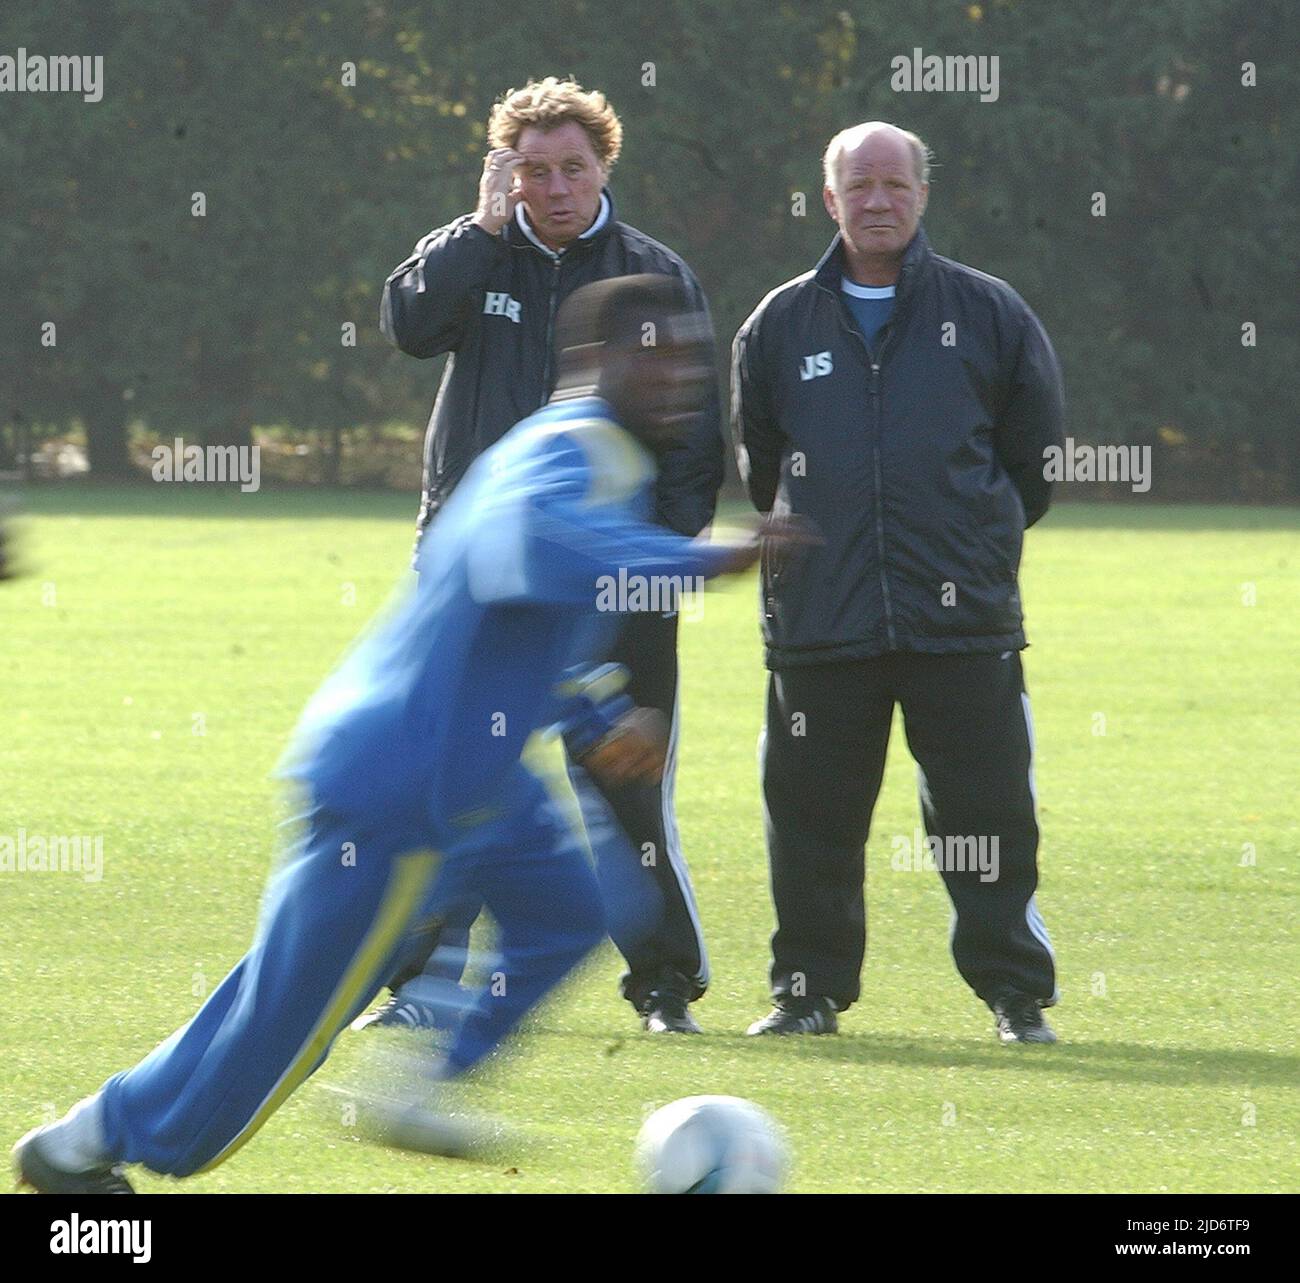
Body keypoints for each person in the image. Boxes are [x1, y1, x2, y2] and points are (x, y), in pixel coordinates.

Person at [13, 275, 767, 1194]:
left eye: (691, 354)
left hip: (472, 777)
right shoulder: (569, 447)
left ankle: (418, 1082)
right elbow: (511, 551)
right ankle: (85, 1146)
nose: (680, 372)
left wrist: (601, 717)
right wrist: (696, 557)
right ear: (593, 361)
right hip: (406, 779)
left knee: (575, 908)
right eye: (656, 351)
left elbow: (537, 623)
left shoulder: (606, 459)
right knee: (286, 1026)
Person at [377, 77, 725, 1035]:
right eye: (533, 170)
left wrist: (657, 559)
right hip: (478, 587)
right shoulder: (478, 249)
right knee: (458, 786)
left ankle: (663, 987)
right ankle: (421, 987)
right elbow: (407, 325)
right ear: (505, 174)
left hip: (610, 584)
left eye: (573, 167)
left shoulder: (655, 275)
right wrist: (479, 226)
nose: (556, 187)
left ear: (605, 165)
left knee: (622, 780)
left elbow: (697, 442)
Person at [732, 122, 1066, 1044]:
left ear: (923, 194)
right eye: (859, 185)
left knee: (987, 818)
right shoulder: (778, 322)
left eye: (896, 184)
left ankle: (1014, 995)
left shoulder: (990, 312)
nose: (878, 201)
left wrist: (971, 545)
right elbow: (762, 466)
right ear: (828, 199)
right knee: (811, 825)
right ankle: (807, 993)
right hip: (819, 624)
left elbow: (1032, 465)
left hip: (961, 625)